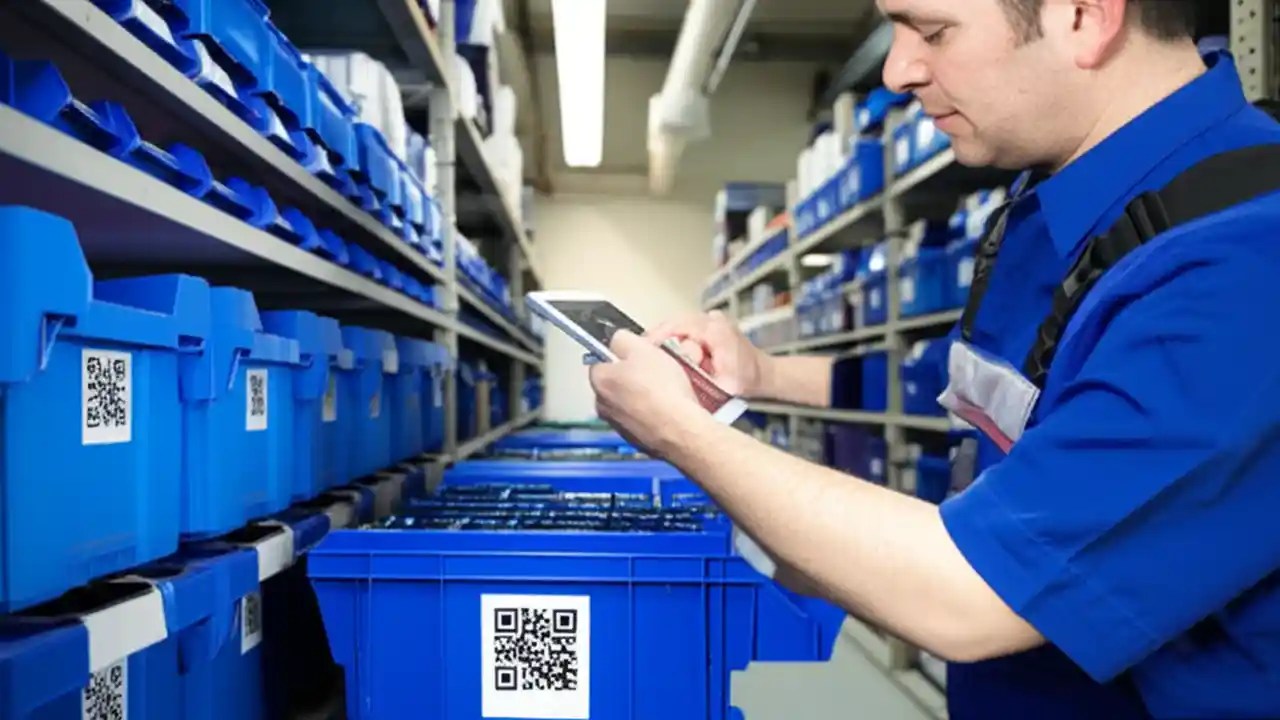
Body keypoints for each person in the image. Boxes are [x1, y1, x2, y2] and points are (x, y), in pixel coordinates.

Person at [588, 1, 1280, 718]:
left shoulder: (1243, 266)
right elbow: (958, 397)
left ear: (1084, 15)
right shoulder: (1051, 201)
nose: (898, 69)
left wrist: (683, 435)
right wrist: (761, 376)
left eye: (934, 30)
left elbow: (974, 595)